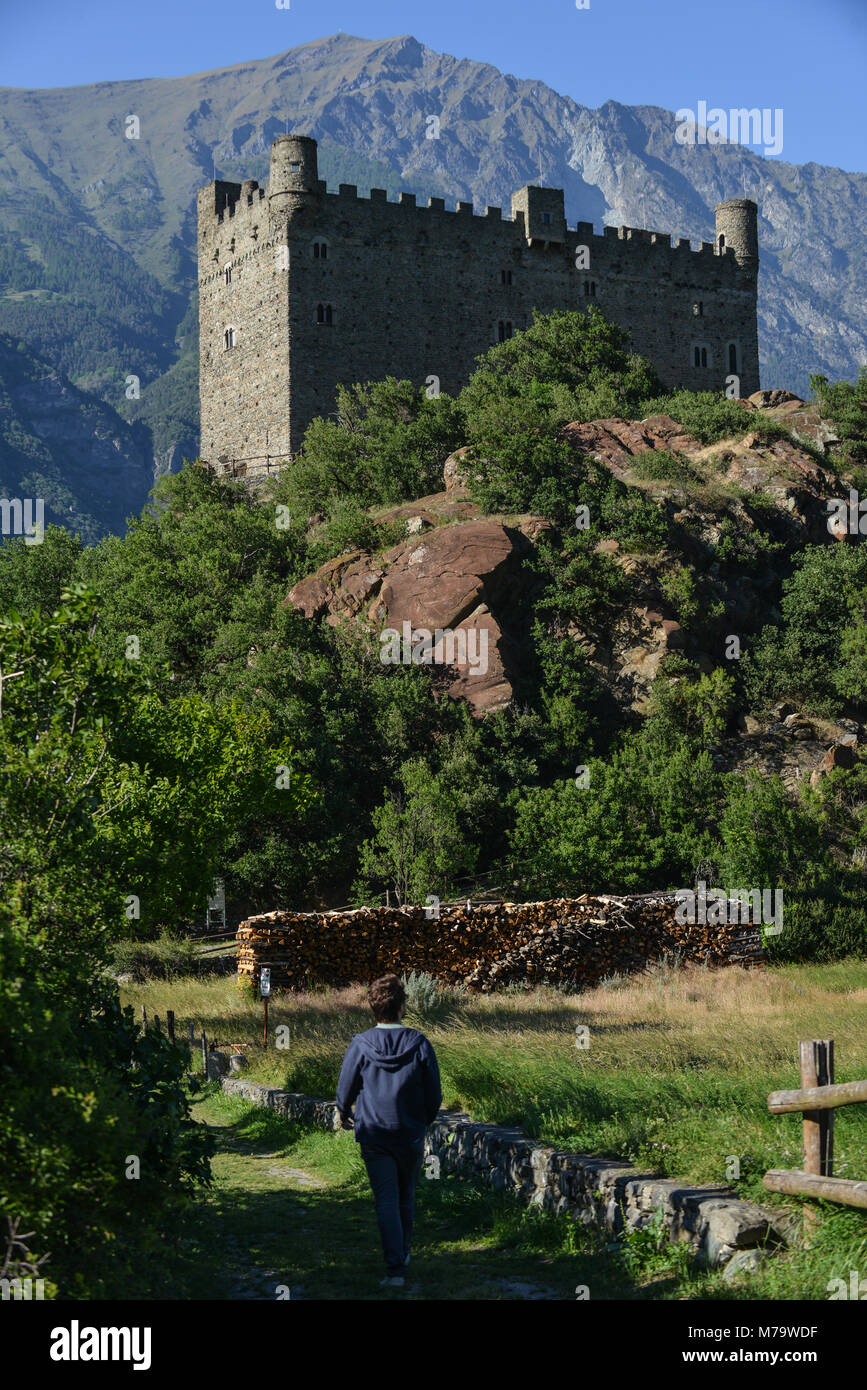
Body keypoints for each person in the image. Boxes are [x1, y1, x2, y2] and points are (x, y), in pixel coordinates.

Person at [336, 973, 442, 1288]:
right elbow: (434, 1093)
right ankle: (403, 1253)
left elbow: (346, 1086)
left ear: (373, 1007)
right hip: (409, 1131)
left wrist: (344, 1111)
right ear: (402, 1006)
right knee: (406, 1196)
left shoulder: (361, 1044)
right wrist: (424, 1120)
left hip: (374, 1133)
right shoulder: (420, 1042)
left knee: (385, 1199)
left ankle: (395, 1269)